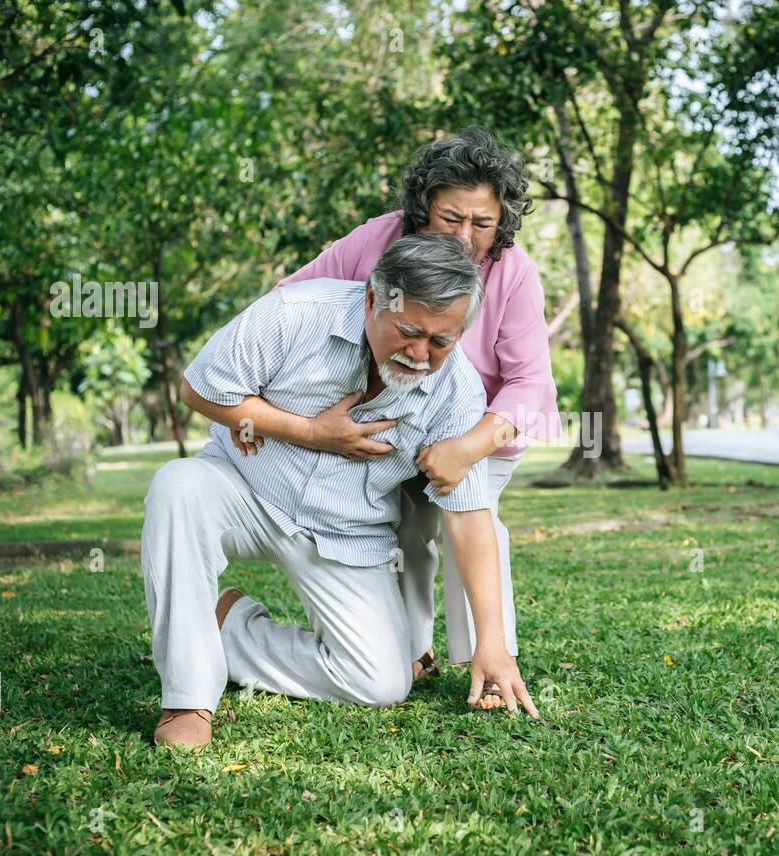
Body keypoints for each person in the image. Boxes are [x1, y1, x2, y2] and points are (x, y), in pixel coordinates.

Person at [142, 233, 539, 750]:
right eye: (408, 332)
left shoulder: (457, 392)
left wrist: (494, 643)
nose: (419, 354)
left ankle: (229, 625)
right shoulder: (296, 313)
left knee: (380, 682)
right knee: (177, 485)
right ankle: (187, 697)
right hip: (245, 490)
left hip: (348, 533)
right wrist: (308, 431)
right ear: (374, 299)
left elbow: (468, 516)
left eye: (440, 342)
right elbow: (201, 388)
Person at [252, 127, 560, 706]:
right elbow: (288, 301)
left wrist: (466, 447)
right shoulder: (376, 240)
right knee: (403, 528)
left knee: (473, 518)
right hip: (390, 420)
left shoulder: (513, 273)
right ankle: (412, 650)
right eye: (451, 218)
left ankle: (491, 659)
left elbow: (531, 384)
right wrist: (272, 412)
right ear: (422, 208)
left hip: (479, 428)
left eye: (483, 224)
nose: (467, 237)